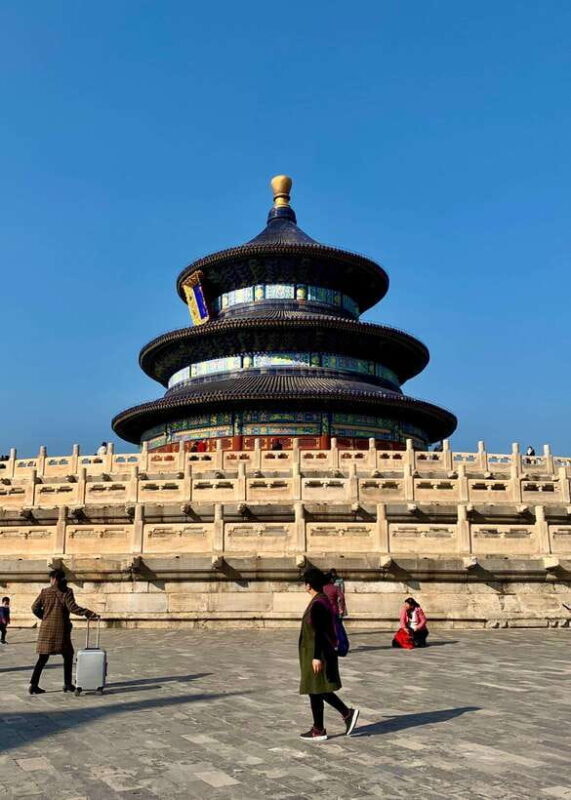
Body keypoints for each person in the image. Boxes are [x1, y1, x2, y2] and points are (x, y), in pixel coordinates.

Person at [298, 567, 359, 741]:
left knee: (319, 689)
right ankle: (319, 728)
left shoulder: (318, 603)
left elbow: (319, 632)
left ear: (308, 585)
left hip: (318, 654)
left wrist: (316, 657)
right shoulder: (320, 600)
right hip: (315, 654)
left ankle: (346, 714)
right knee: (315, 690)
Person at [29, 569, 98, 695]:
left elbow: (34, 607)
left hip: (46, 630)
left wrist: (44, 617)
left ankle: (33, 685)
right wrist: (88, 613)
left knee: (43, 658)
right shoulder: (67, 592)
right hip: (61, 630)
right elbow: (73, 608)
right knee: (68, 655)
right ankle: (67, 684)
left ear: (53, 579)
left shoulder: (45, 592)